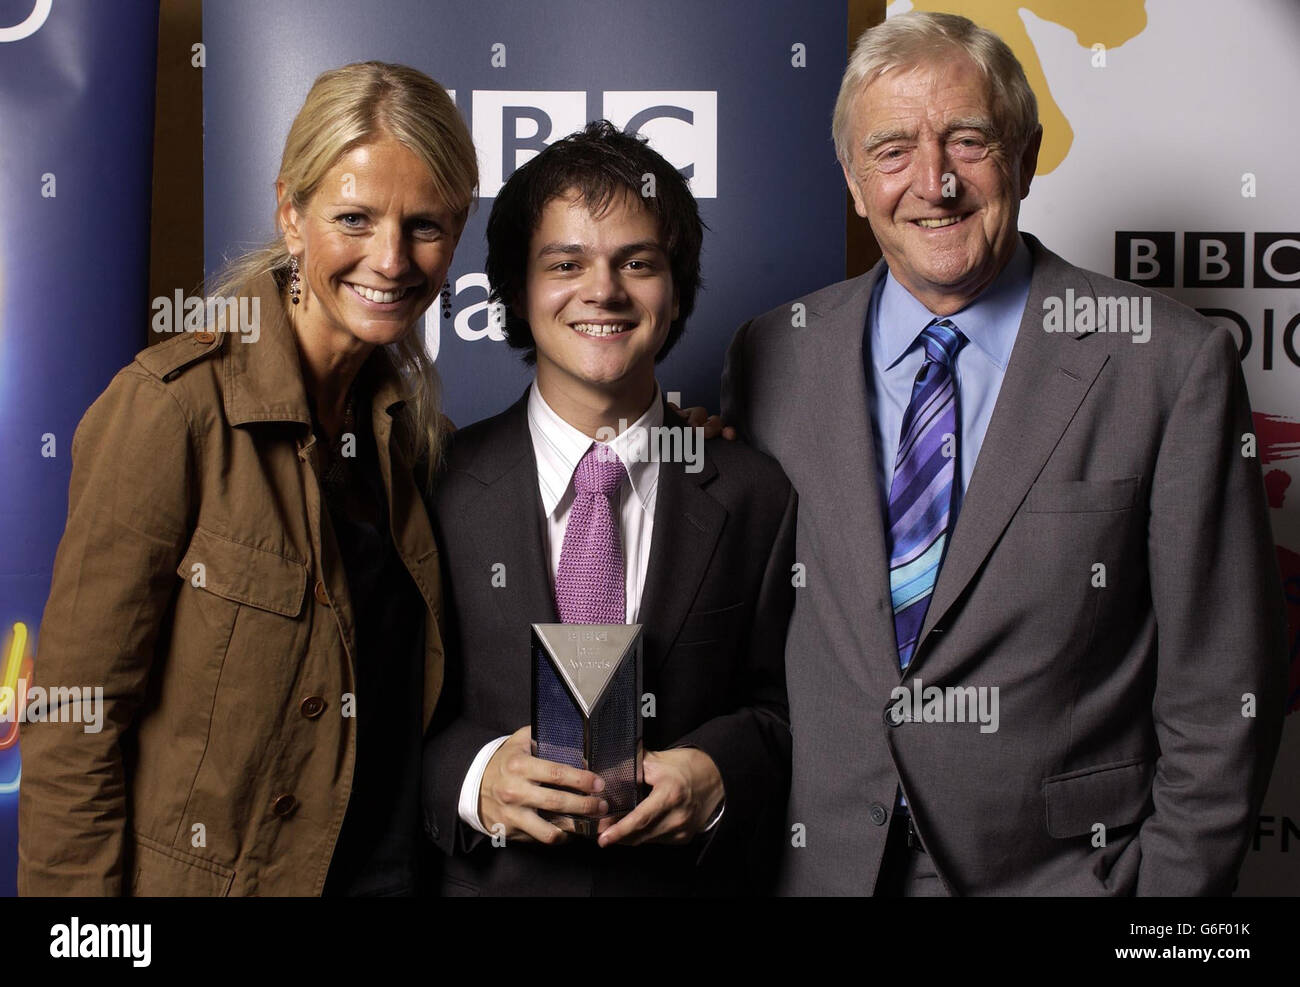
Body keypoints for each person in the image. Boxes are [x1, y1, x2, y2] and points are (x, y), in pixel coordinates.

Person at [722, 11, 1287, 895]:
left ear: (1024, 153)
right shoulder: (773, 356)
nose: (934, 181)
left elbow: (1224, 687)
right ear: (852, 176)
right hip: (821, 870)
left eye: (968, 140)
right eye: (893, 148)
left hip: (1062, 879)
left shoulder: (1165, 362)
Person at [18, 62, 477, 896]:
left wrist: (664, 434)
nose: (390, 257)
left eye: (426, 226)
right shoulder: (172, 410)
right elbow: (75, 723)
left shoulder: (416, 445)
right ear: (290, 214)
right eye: (354, 217)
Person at [422, 121, 795, 896]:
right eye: (566, 263)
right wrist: (474, 776)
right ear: (517, 294)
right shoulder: (436, 486)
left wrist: (721, 770)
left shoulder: (757, 494)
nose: (604, 290)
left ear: (676, 288)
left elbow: (792, 708)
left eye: (638, 262)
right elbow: (378, 711)